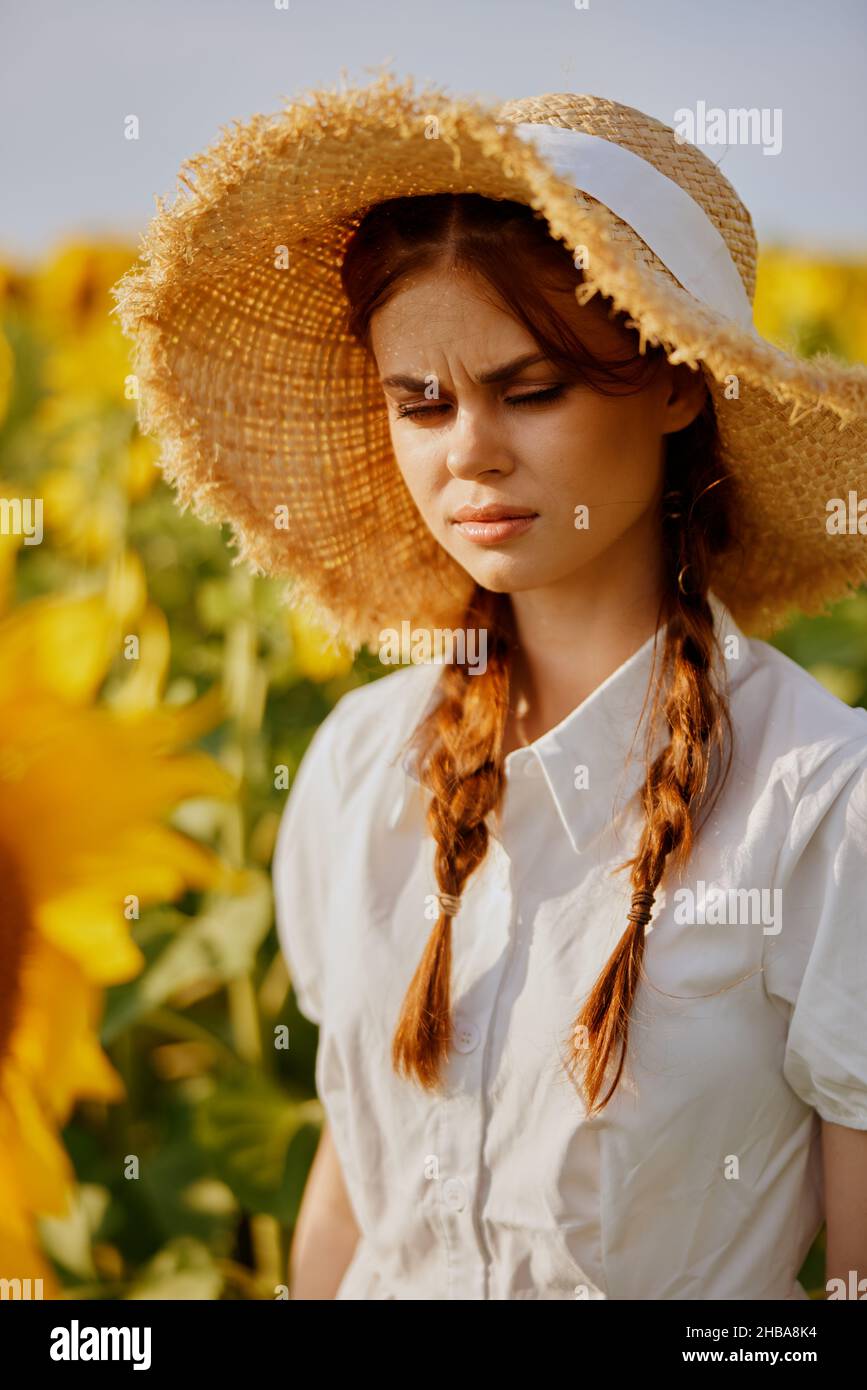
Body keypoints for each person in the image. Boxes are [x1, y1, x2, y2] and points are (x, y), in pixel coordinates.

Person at [113, 74, 867, 1301]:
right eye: (422, 402)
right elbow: (350, 1202)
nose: (469, 450)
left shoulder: (824, 804)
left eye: (533, 390)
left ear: (677, 384)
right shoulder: (360, 762)